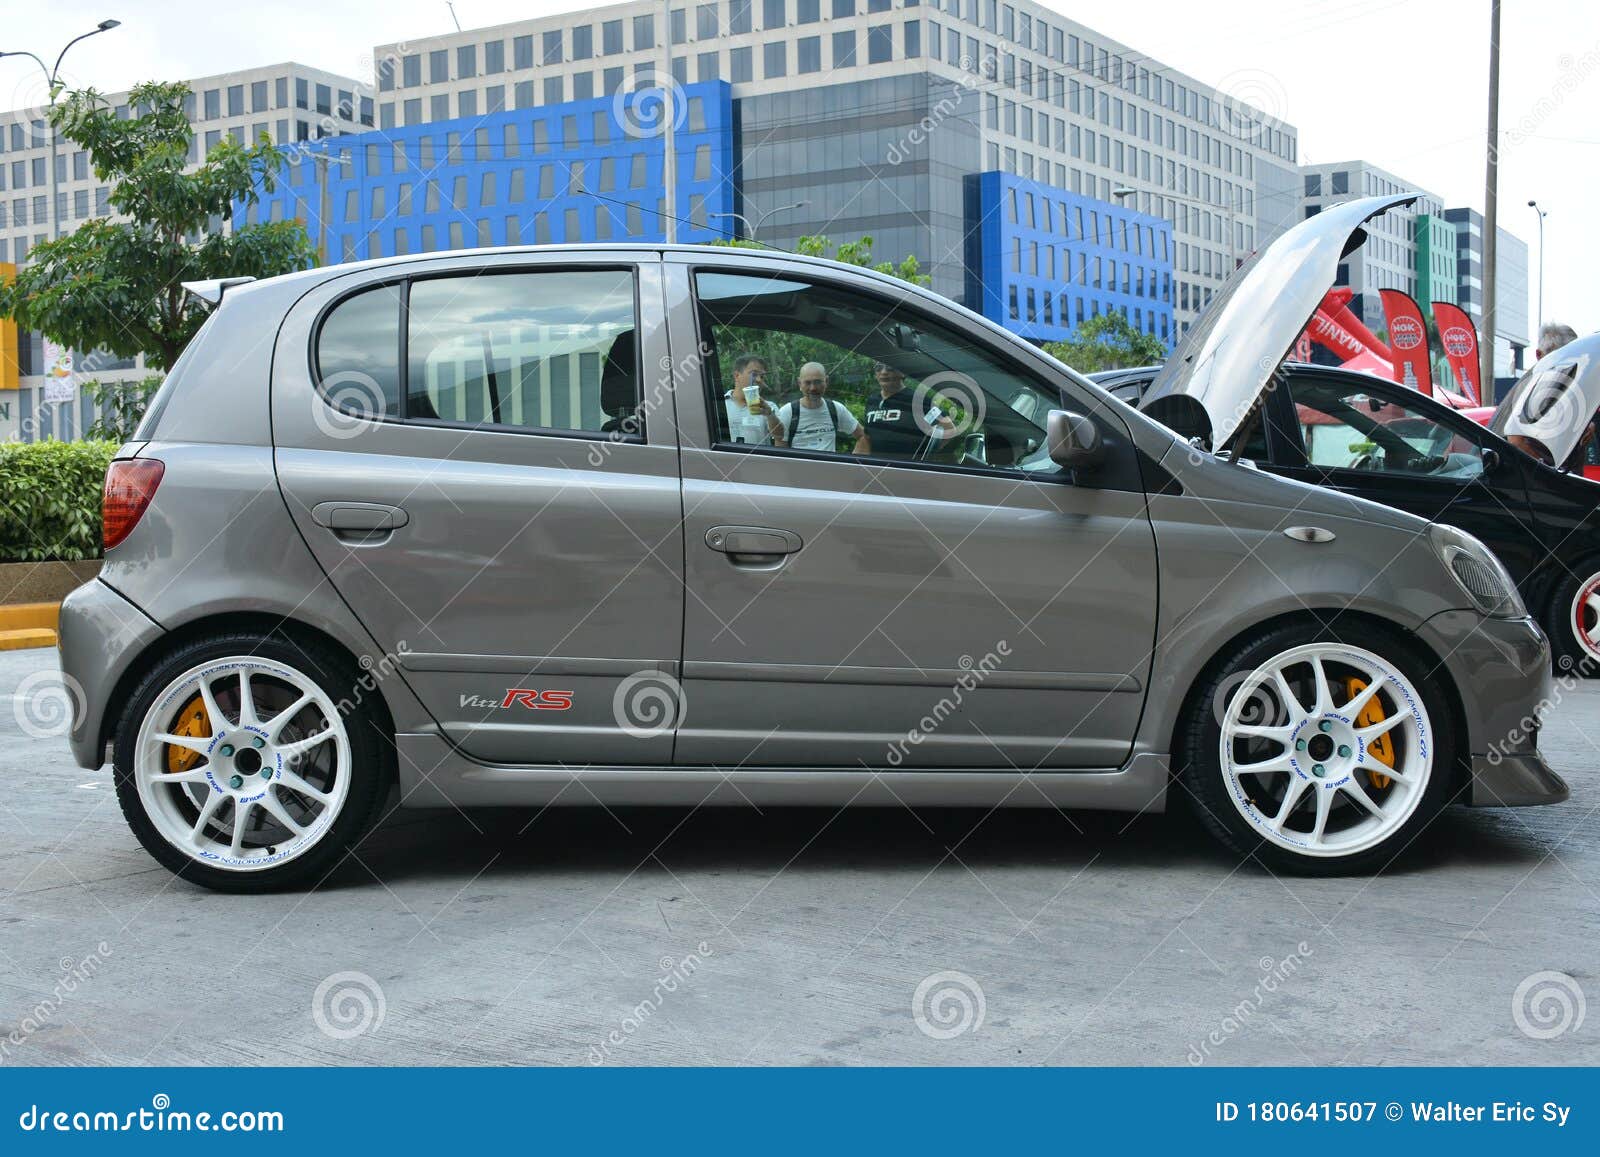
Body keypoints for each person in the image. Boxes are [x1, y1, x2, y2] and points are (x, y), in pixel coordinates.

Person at [862, 361, 957, 458]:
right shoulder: (872, 401)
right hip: (876, 466)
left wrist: (925, 456)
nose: (883, 372)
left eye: (890, 367)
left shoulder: (918, 400)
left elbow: (949, 430)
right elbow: (866, 439)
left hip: (907, 469)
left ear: (902, 373)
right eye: (878, 368)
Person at [773, 362, 871, 454]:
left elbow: (863, 436)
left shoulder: (835, 409)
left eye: (818, 382)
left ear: (826, 381)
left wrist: (852, 466)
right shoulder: (788, 412)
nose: (813, 388)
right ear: (799, 384)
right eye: (807, 383)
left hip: (830, 471)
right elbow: (780, 449)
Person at [723, 352, 783, 446]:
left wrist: (770, 414)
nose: (759, 380)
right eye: (754, 374)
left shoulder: (769, 407)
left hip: (757, 460)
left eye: (762, 376)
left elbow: (780, 436)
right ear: (737, 375)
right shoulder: (719, 405)